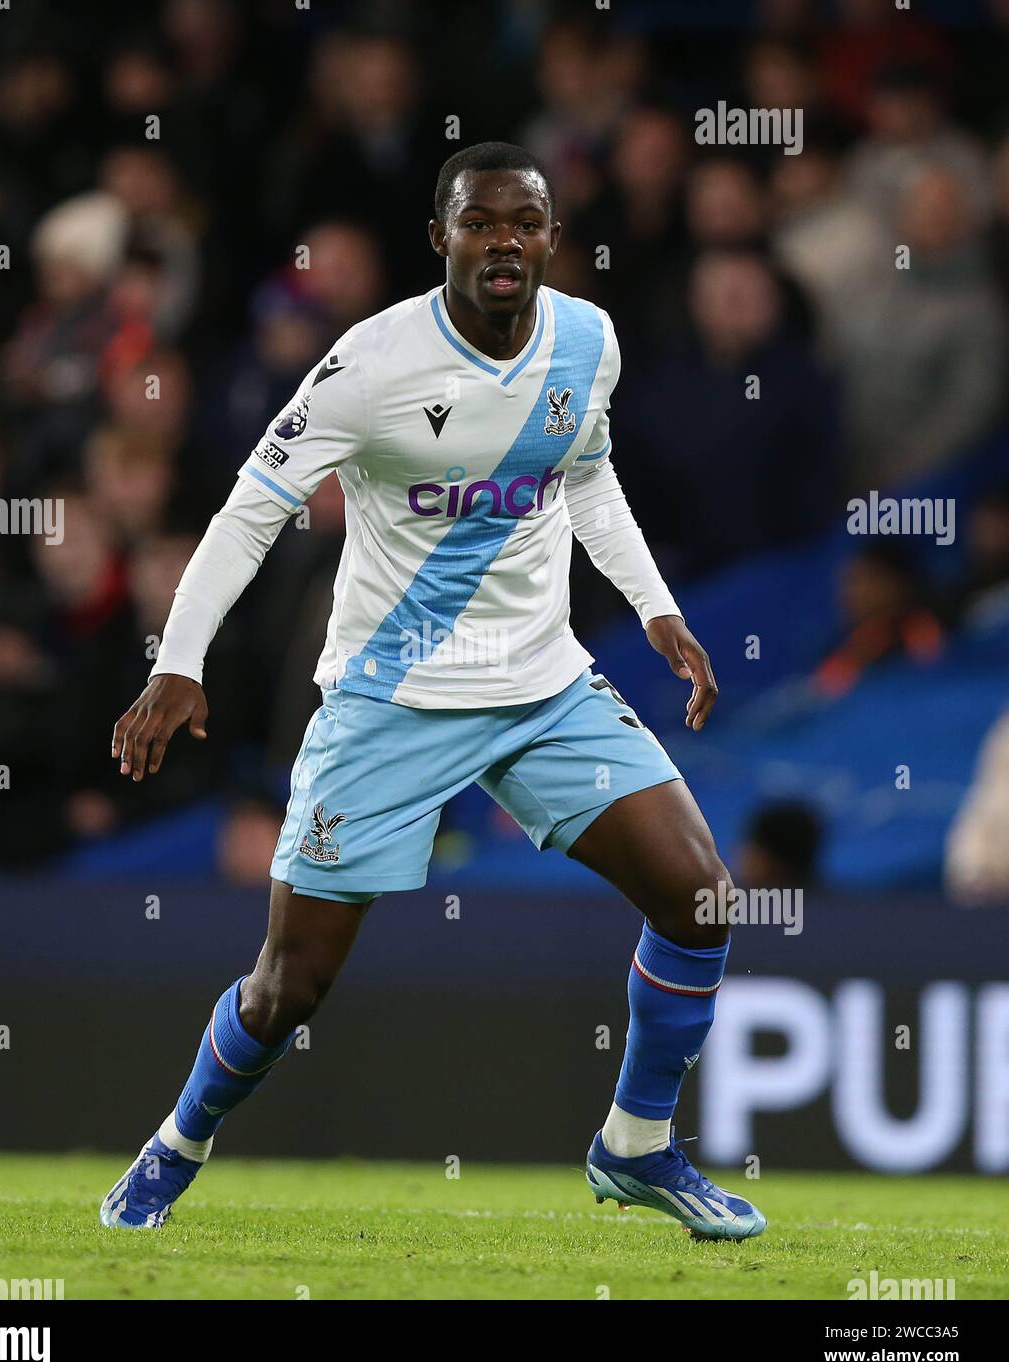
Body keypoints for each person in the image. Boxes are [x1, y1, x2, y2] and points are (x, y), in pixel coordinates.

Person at [100, 142, 766, 1242]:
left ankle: (637, 1146)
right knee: (287, 989)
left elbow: (586, 471)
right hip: (389, 698)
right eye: (479, 222)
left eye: (525, 223)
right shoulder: (370, 365)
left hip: (542, 682)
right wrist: (179, 659)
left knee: (701, 898)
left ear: (551, 238)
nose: (503, 241)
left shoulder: (587, 341)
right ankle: (178, 1141)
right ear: (440, 238)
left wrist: (653, 607)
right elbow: (252, 506)